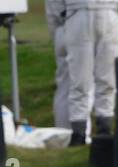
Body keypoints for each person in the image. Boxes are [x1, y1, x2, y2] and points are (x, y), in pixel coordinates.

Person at [63, 0, 118, 145]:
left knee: (108, 77)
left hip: (108, 11)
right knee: (80, 79)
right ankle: (79, 132)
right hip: (78, 11)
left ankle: (105, 128)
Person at [45, 0, 70, 130]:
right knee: (70, 86)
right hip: (68, 24)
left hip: (64, 25)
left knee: (68, 86)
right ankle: (68, 133)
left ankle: (69, 133)